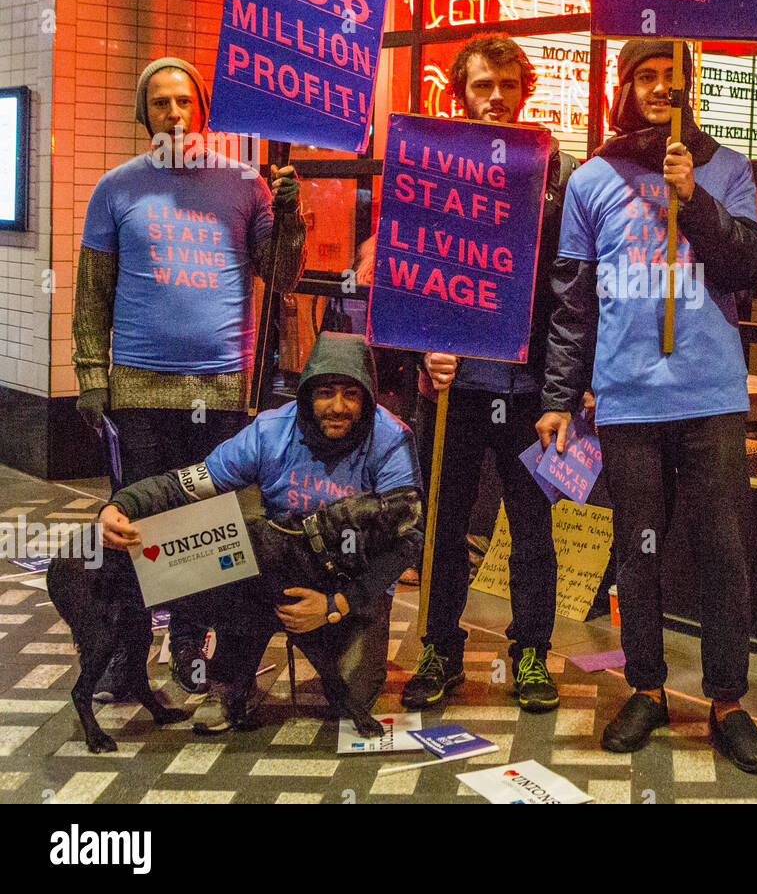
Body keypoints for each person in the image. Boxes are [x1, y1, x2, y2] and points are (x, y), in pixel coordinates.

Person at [536, 39, 757, 773]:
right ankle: (646, 688)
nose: (660, 89)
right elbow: (572, 302)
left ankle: (728, 703)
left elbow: (750, 267)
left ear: (691, 87)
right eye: (646, 77)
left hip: (709, 397)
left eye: (673, 78)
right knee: (637, 555)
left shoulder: (727, 168)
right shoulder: (593, 177)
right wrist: (556, 396)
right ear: (627, 85)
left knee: (723, 555)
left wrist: (693, 201)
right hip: (627, 400)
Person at [74, 57, 306, 696]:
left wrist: (289, 216)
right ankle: (128, 648)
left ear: (201, 109)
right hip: (140, 389)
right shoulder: (116, 189)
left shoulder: (246, 184)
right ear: (142, 114)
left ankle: (189, 649)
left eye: (184, 102)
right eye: (160, 104)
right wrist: (92, 374)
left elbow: (282, 275)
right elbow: (92, 294)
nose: (174, 114)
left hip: (221, 389)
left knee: (204, 531)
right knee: (136, 527)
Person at [96, 333, 422, 722]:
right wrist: (122, 505)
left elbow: (409, 541)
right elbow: (189, 484)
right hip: (275, 572)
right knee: (228, 541)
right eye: (325, 393)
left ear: (367, 398)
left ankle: (334, 643)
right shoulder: (270, 431)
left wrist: (336, 605)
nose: (338, 407)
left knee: (350, 698)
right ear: (306, 396)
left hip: (352, 581)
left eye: (351, 394)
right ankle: (229, 676)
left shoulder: (391, 438)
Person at [401, 35, 577, 714]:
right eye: (483, 86)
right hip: (453, 391)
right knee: (442, 530)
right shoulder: (430, 172)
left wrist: (564, 389)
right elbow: (405, 273)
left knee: (534, 532)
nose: (497, 97)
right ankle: (439, 649)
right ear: (460, 94)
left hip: (530, 392)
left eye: (508, 85)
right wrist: (421, 351)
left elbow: (571, 298)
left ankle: (530, 652)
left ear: (524, 92)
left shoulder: (554, 181)